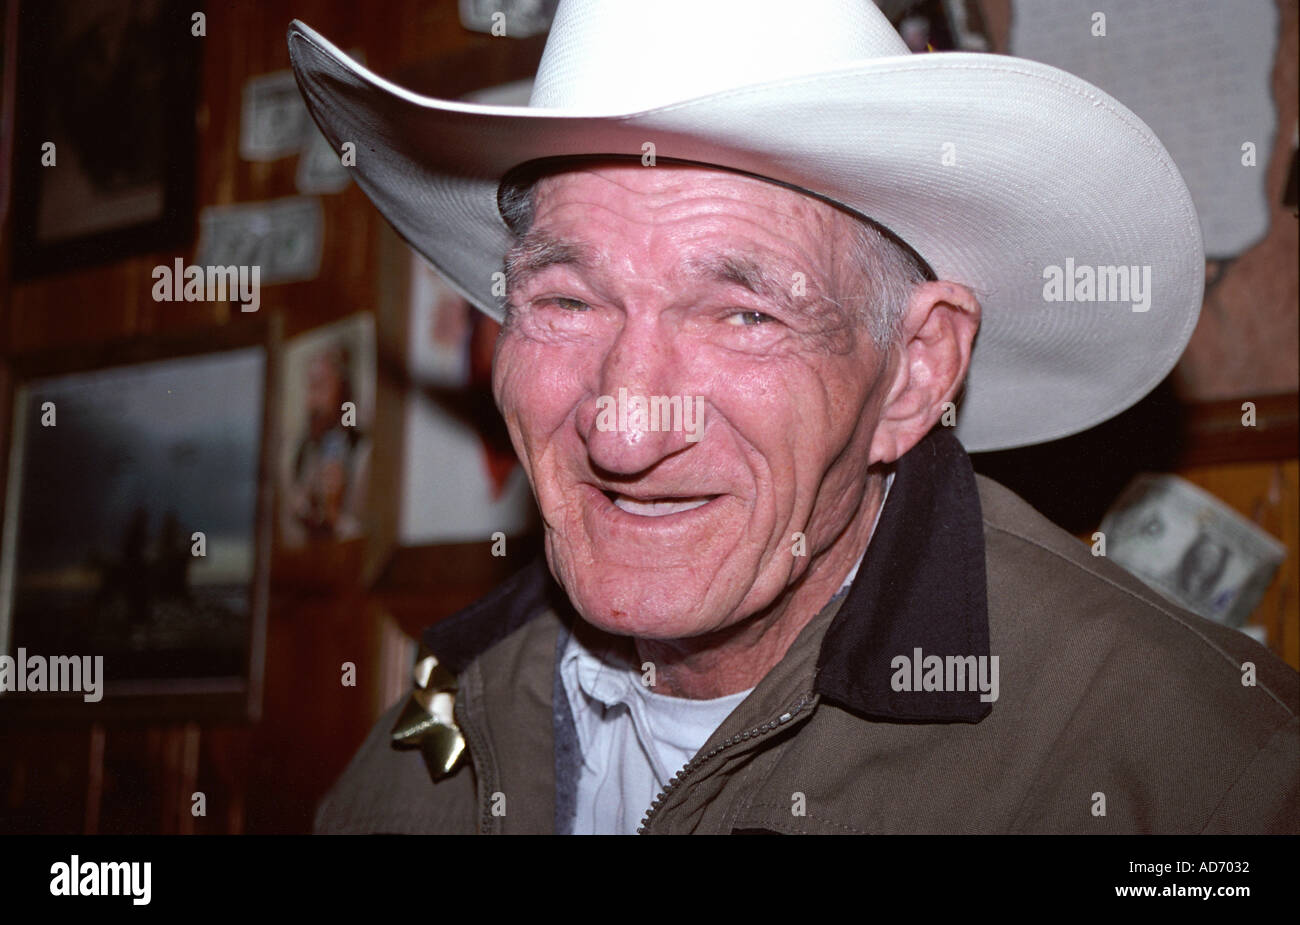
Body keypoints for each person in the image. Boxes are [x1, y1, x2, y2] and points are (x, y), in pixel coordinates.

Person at [288, 0, 1298, 833]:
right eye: (566, 302)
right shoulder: (427, 748)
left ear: (913, 371)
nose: (625, 431)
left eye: (742, 313)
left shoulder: (1198, 781)